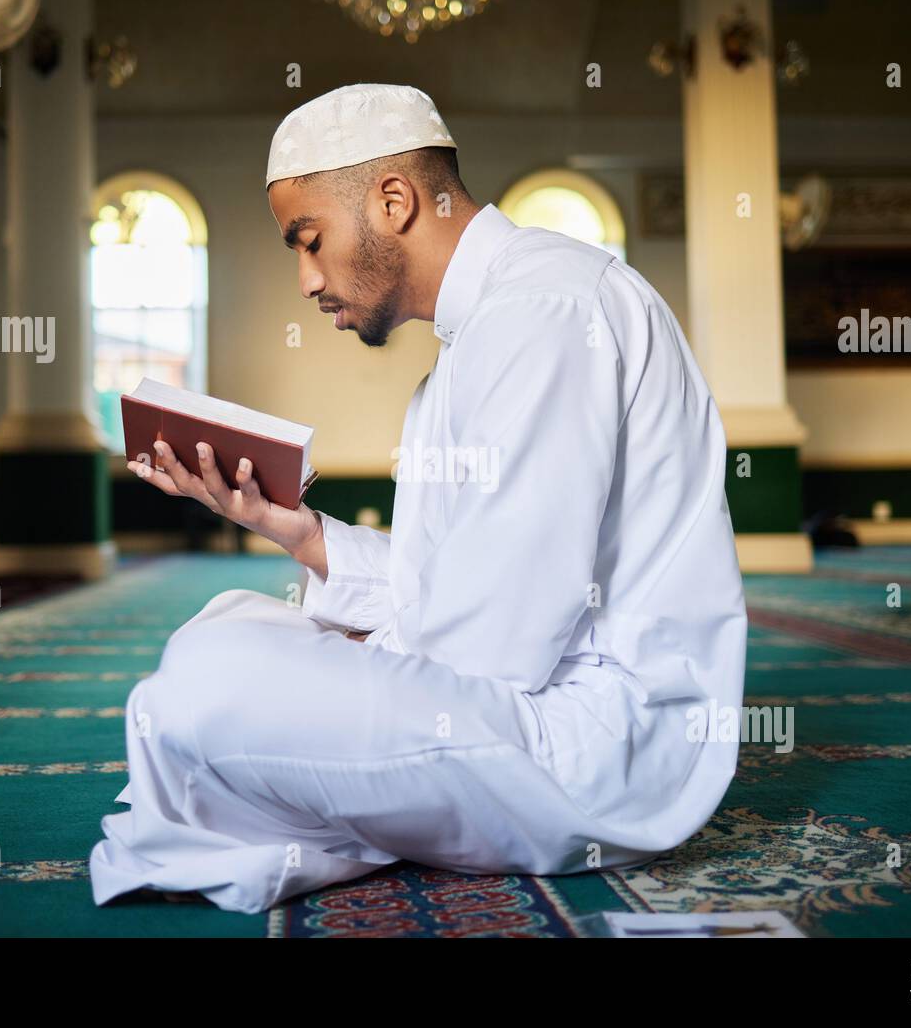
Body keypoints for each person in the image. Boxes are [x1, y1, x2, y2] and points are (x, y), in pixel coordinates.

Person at [89, 83, 746, 914]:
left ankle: (314, 810)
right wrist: (297, 531)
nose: (305, 279)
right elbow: (455, 589)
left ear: (393, 200)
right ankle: (334, 808)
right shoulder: (477, 340)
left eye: (309, 239)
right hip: (524, 695)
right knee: (226, 628)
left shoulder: (543, 313)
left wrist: (356, 651)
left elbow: (490, 645)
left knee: (205, 687)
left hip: (588, 739)